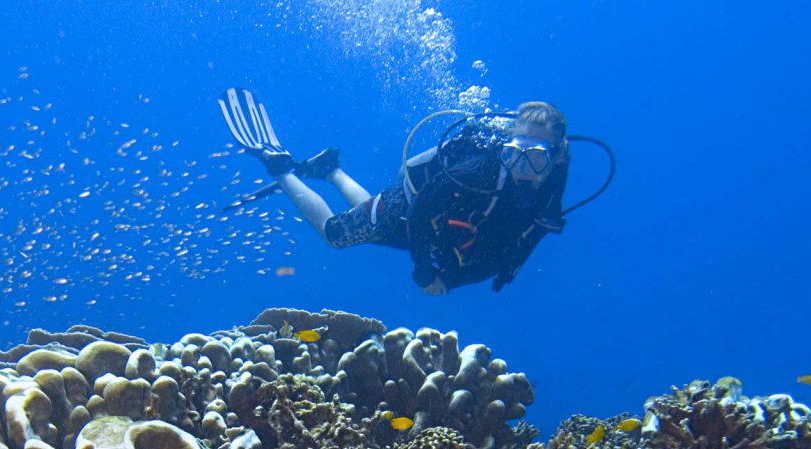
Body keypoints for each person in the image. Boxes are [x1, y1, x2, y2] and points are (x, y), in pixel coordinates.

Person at [219, 89, 570, 295]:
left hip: (437, 229)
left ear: (556, 157)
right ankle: (280, 166)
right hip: (412, 204)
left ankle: (328, 168)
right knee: (336, 235)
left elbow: (528, 238)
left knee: (374, 228)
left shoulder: (553, 188)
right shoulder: (479, 168)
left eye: (536, 158)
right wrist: (424, 273)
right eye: (514, 154)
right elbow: (421, 209)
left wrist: (492, 273)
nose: (522, 168)